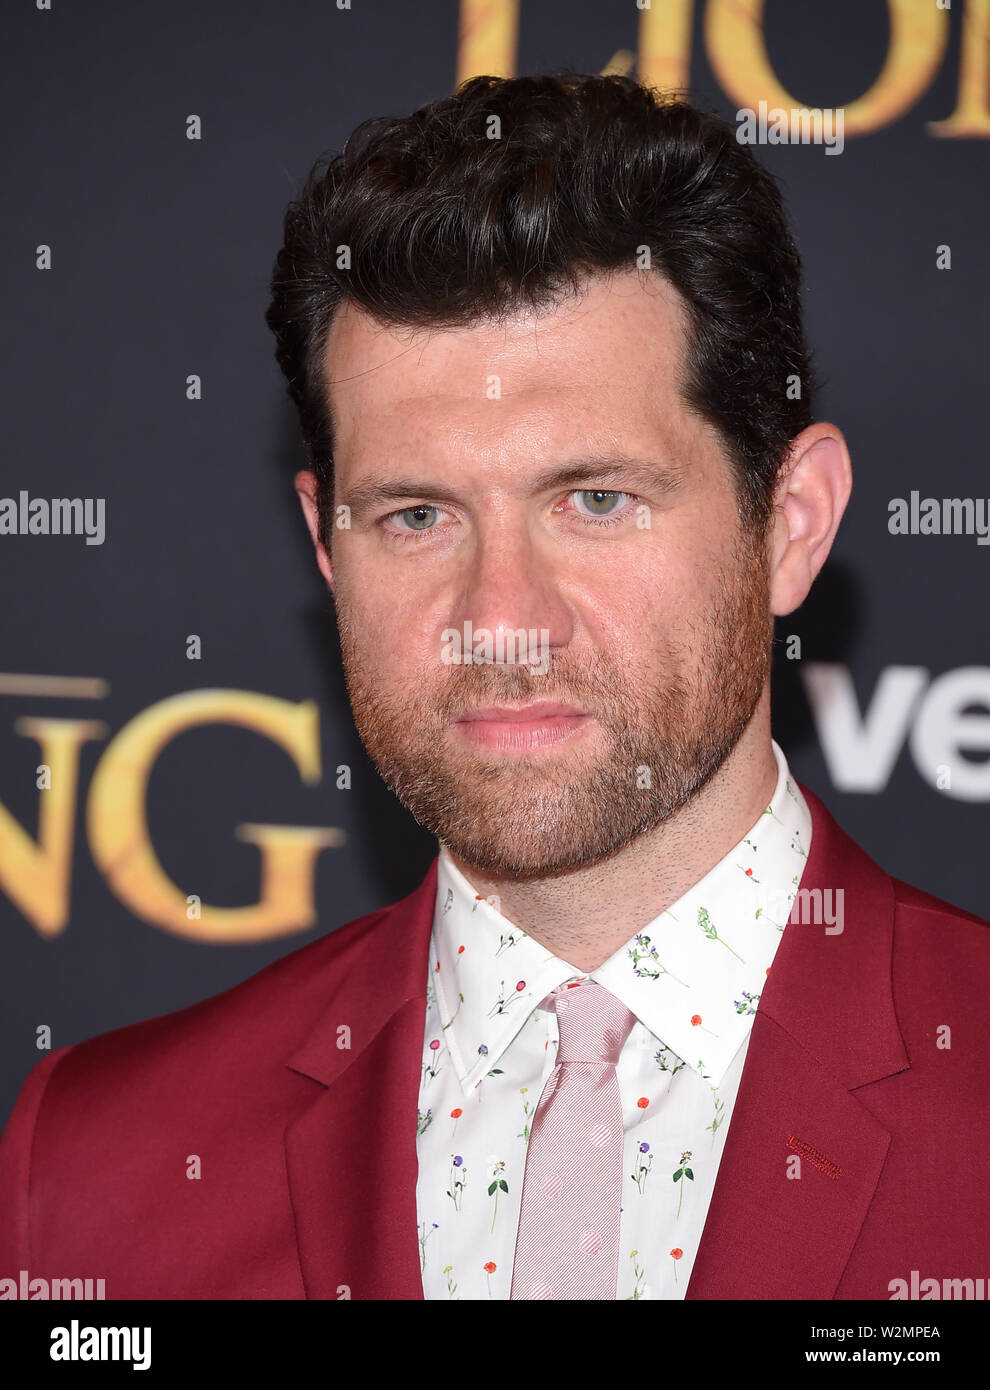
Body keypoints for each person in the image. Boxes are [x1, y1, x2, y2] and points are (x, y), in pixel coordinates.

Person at [1, 71, 987, 1302]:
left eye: (595, 500)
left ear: (788, 525)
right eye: (417, 515)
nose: (500, 621)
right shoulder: (97, 1166)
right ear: (325, 544)